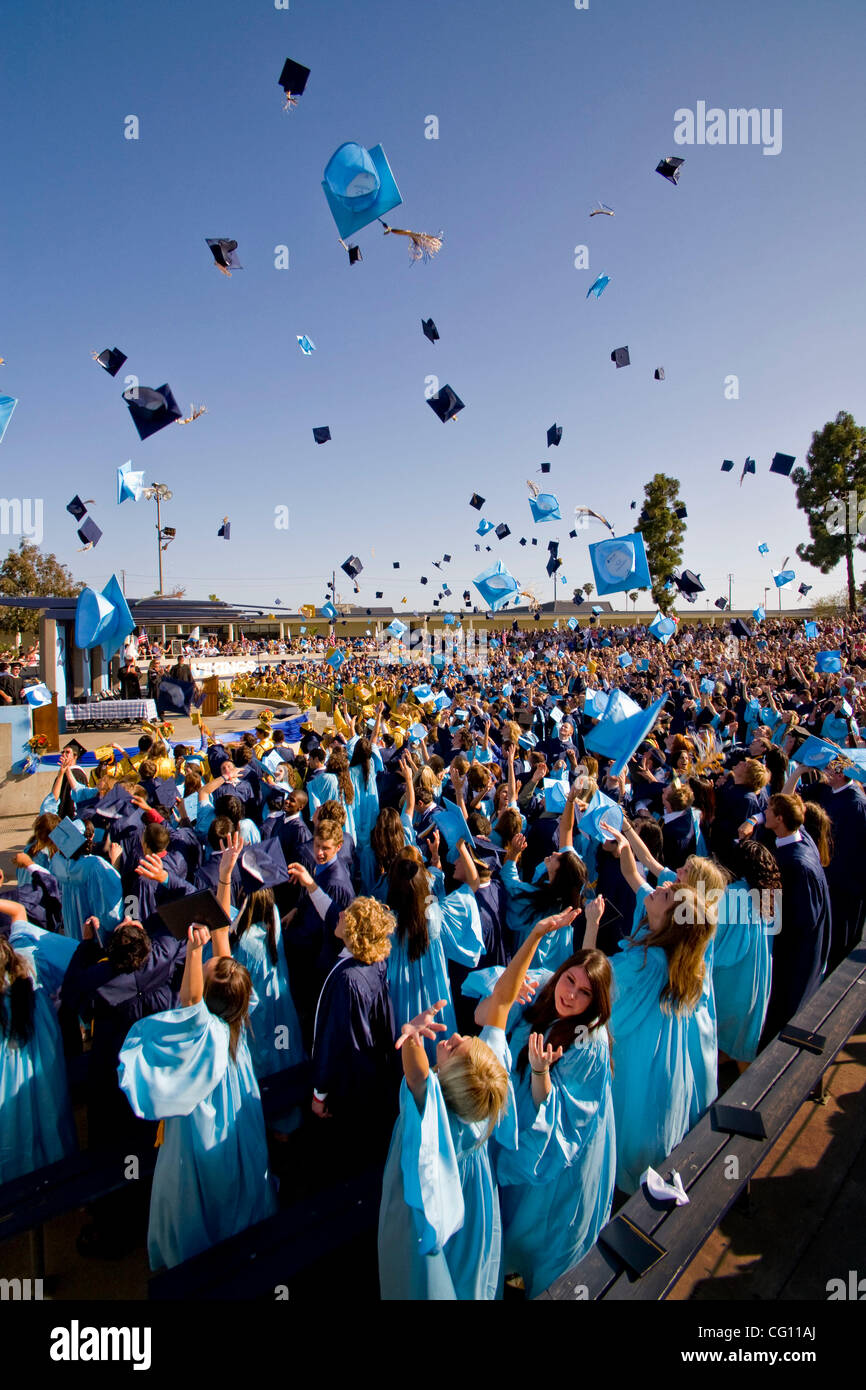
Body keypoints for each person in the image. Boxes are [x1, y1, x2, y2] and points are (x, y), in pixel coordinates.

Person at [466, 899, 615, 1298]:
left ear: (595, 1004)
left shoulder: (589, 1043)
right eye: (570, 981)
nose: (571, 995)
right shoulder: (544, 985)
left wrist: (539, 1071)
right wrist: (512, 991)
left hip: (552, 1164)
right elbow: (484, 1015)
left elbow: (562, 1119)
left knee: (541, 1236)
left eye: (584, 993)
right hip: (515, 1136)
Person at [118, 916, 277, 1271]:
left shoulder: (203, 1034)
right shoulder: (238, 1008)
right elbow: (226, 965)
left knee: (198, 1187)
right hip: (236, 1102)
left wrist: (193, 951)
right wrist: (224, 883)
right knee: (239, 1170)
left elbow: (190, 1001)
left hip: (203, 1118)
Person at [601, 828, 718, 1194]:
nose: (665, 881)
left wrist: (590, 927)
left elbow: (596, 995)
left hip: (637, 1057)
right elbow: (637, 874)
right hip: (663, 1055)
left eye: (672, 886)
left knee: (629, 1124)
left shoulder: (644, 963)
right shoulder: (682, 943)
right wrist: (623, 841)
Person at [377, 986, 513, 1300]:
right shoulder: (483, 1100)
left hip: (420, 1202)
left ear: (451, 1082)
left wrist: (412, 1034)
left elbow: (418, 1076)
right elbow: (501, 1006)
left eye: (455, 1049)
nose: (456, 1037)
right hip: (472, 1201)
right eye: (467, 1040)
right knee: (466, 1268)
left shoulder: (433, 1118)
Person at [384, 840, 484, 1061]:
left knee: (405, 1043)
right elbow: (473, 885)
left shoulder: (386, 924)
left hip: (400, 993)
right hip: (434, 991)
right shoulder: (437, 915)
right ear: (423, 883)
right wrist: (461, 847)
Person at [0, 911, 78, 1184]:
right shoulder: (32, 962)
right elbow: (18, 913)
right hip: (45, 1078)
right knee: (50, 1128)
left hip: (7, 1098)